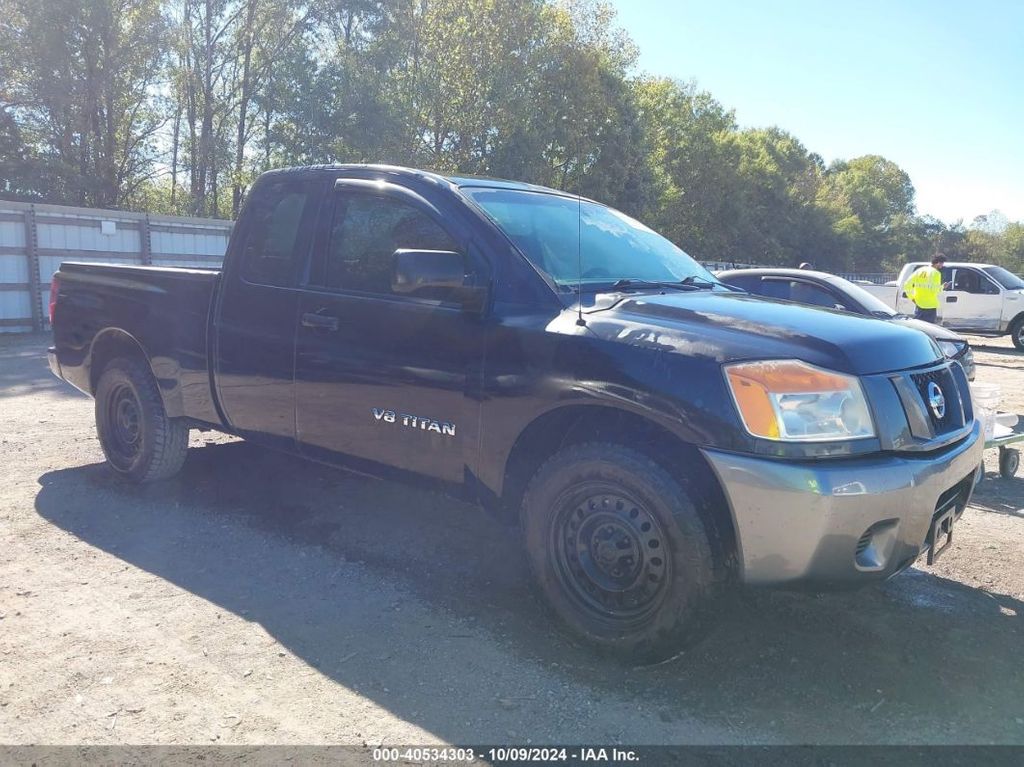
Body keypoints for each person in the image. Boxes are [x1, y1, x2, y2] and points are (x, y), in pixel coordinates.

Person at [903, 253, 946, 323]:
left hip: (919, 305)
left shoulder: (919, 271)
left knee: (918, 326)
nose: (942, 265)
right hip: (930, 306)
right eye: (942, 263)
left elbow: (907, 284)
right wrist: (942, 287)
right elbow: (935, 290)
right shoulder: (936, 273)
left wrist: (912, 298)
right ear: (938, 263)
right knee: (929, 328)